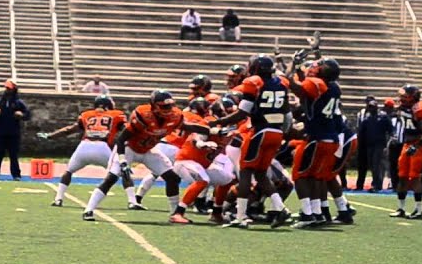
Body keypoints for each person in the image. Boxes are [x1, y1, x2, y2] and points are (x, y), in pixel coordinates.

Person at [208, 57, 293, 228]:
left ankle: (241, 216)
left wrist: (219, 122)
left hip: (259, 131)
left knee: (246, 173)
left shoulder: (253, 82)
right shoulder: (282, 82)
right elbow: (287, 114)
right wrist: (282, 132)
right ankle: (281, 209)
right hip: (276, 132)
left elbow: (242, 112)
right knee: (260, 174)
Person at [81, 89, 184, 222]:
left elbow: (187, 127)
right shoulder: (143, 115)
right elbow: (121, 139)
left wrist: (207, 130)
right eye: (164, 106)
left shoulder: (176, 116)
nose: (168, 109)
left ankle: (174, 214)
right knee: (111, 178)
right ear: (154, 106)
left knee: (173, 178)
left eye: (170, 106)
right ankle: (88, 210)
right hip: (129, 148)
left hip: (147, 150)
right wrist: (122, 160)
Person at [42, 95, 142, 209]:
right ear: (107, 105)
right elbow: (127, 130)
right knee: (124, 172)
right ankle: (132, 201)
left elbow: (69, 130)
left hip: (84, 146)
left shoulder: (86, 114)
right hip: (103, 147)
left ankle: (58, 199)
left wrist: (50, 136)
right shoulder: (116, 114)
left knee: (68, 171)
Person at [289, 57, 352, 227]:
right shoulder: (334, 87)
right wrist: (298, 70)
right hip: (330, 138)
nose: (314, 67)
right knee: (316, 177)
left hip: (317, 137)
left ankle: (307, 215)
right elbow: (307, 89)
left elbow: (299, 90)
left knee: (300, 176)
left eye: (319, 66)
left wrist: (287, 76)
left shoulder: (317, 83)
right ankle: (317, 213)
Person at [388, 85, 422, 219]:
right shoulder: (402, 108)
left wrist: (417, 146)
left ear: (412, 97)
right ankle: (401, 208)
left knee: (414, 177)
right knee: (402, 176)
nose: (401, 98)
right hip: (406, 145)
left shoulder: (420, 108)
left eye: (404, 96)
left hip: (417, 145)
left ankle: (418, 210)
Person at [0, 80, 31, 180]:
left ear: (14, 89)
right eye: (6, 88)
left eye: (9, 88)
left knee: (13, 155)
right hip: (0, 132)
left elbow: (28, 115)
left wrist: (21, 115)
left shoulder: (19, 103)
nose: (7, 90)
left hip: (13, 133)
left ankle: (16, 175)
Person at [354, 97, 390, 191]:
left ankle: (376, 185)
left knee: (376, 164)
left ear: (376, 107)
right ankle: (375, 184)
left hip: (379, 144)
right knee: (371, 164)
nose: (371, 108)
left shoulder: (383, 117)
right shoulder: (367, 118)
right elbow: (361, 131)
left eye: (372, 107)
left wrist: (388, 142)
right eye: (369, 107)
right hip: (369, 145)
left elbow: (390, 129)